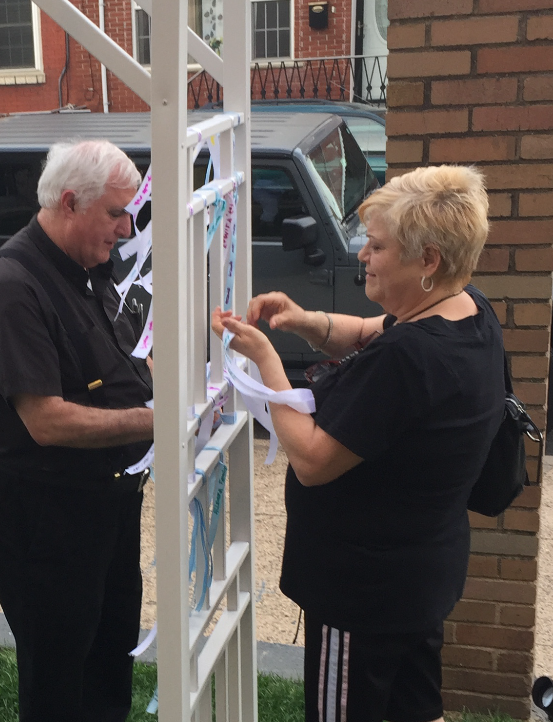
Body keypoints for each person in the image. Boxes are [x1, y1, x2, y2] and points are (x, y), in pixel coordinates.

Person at [212, 165, 505, 722]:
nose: (364, 256)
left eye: (377, 246)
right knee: (414, 708)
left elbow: (314, 459)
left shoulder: (410, 359)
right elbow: (376, 329)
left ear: (428, 261)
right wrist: (303, 320)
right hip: (418, 578)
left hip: (363, 593)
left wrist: (268, 362)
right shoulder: (468, 312)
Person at [0, 140, 154, 722]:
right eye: (116, 213)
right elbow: (46, 420)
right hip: (43, 515)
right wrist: (165, 419)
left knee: (110, 653)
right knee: (59, 674)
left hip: (105, 503)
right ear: (70, 202)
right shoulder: (11, 287)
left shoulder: (86, 265)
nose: (126, 229)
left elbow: (122, 360)